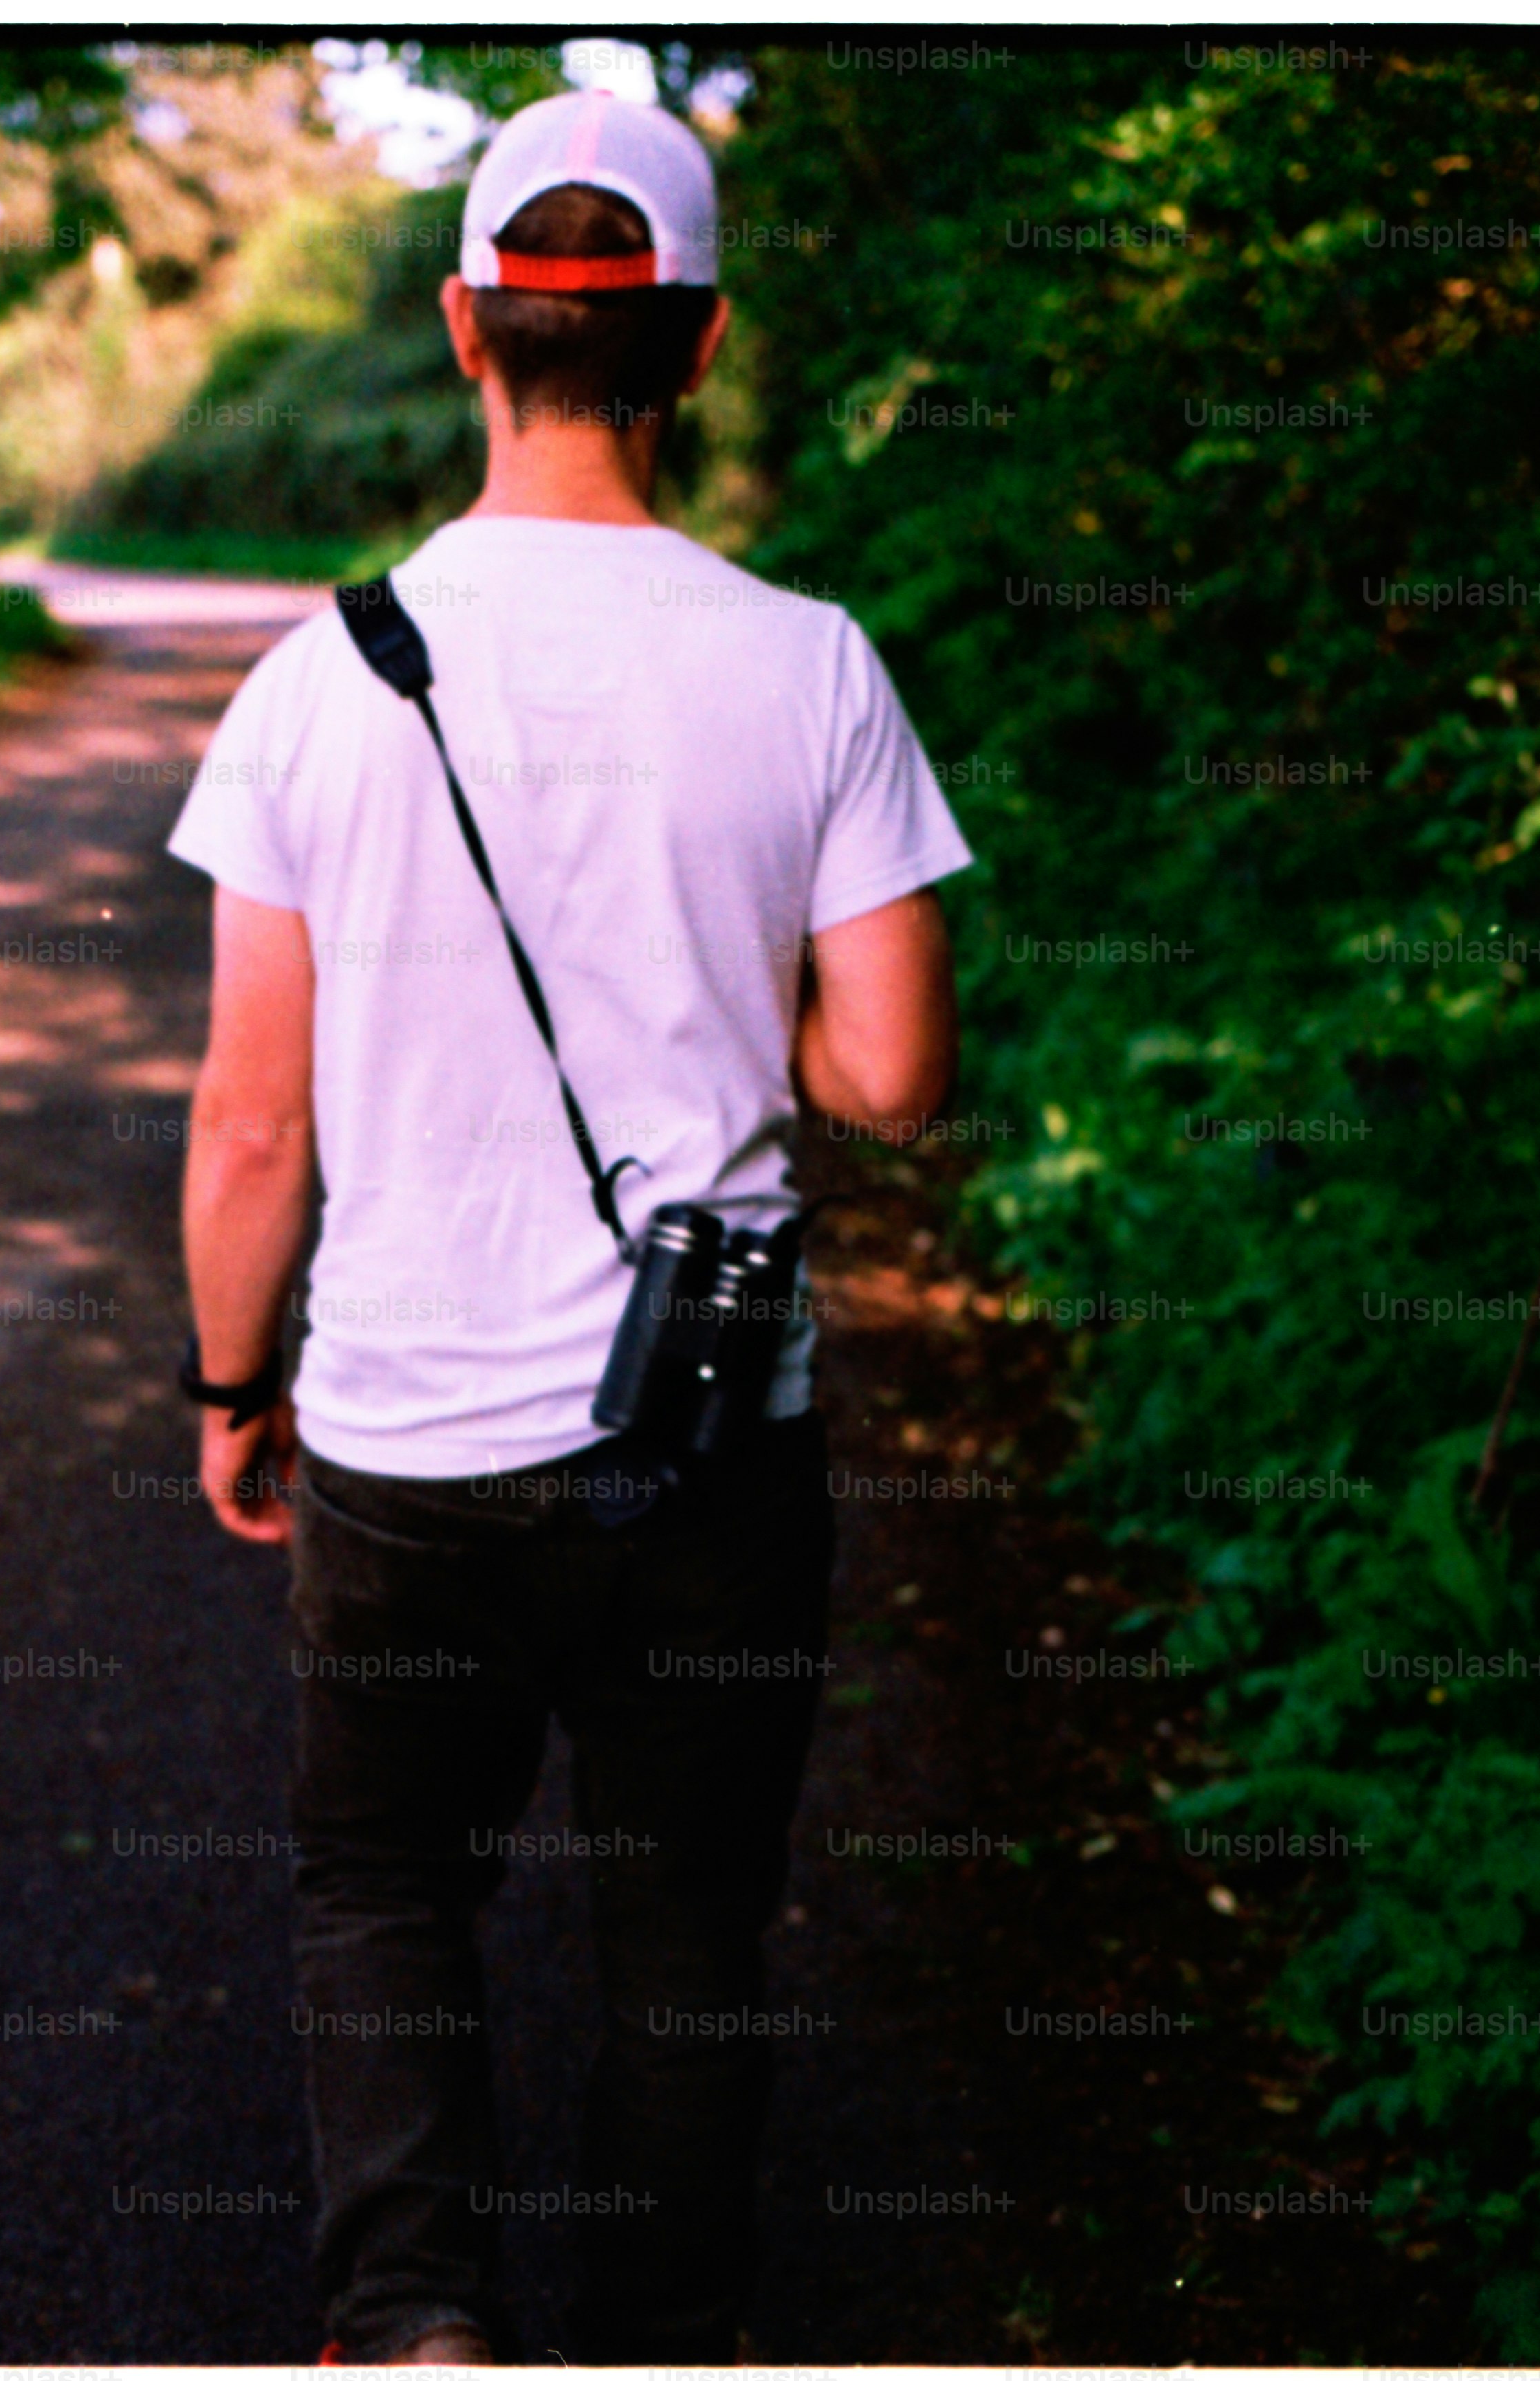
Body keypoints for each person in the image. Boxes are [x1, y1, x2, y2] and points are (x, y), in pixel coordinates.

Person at [164, 87, 970, 2368]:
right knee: (689, 1927)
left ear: (461, 331)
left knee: (386, 1882)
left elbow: (249, 1128)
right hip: (713, 1436)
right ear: (697, 349)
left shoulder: (321, 676)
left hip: (408, 1436)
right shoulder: (810, 662)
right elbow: (893, 1073)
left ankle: (415, 2326)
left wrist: (240, 1387)